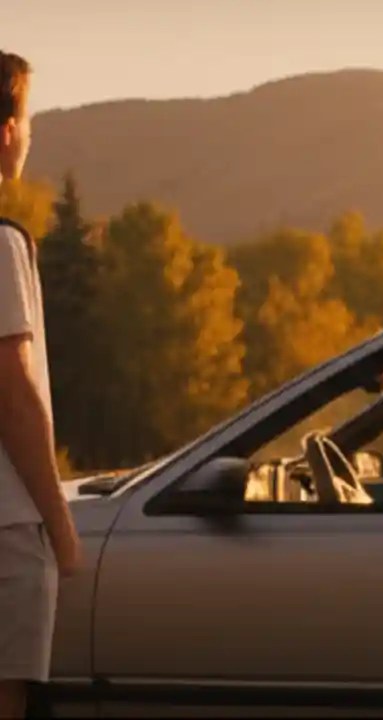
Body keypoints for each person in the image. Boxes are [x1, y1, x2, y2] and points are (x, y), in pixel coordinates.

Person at [0, 50, 81, 719]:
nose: (30, 136)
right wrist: (60, 524)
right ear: (4, 131)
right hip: (8, 522)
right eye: (28, 120)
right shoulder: (1, 246)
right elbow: (13, 392)